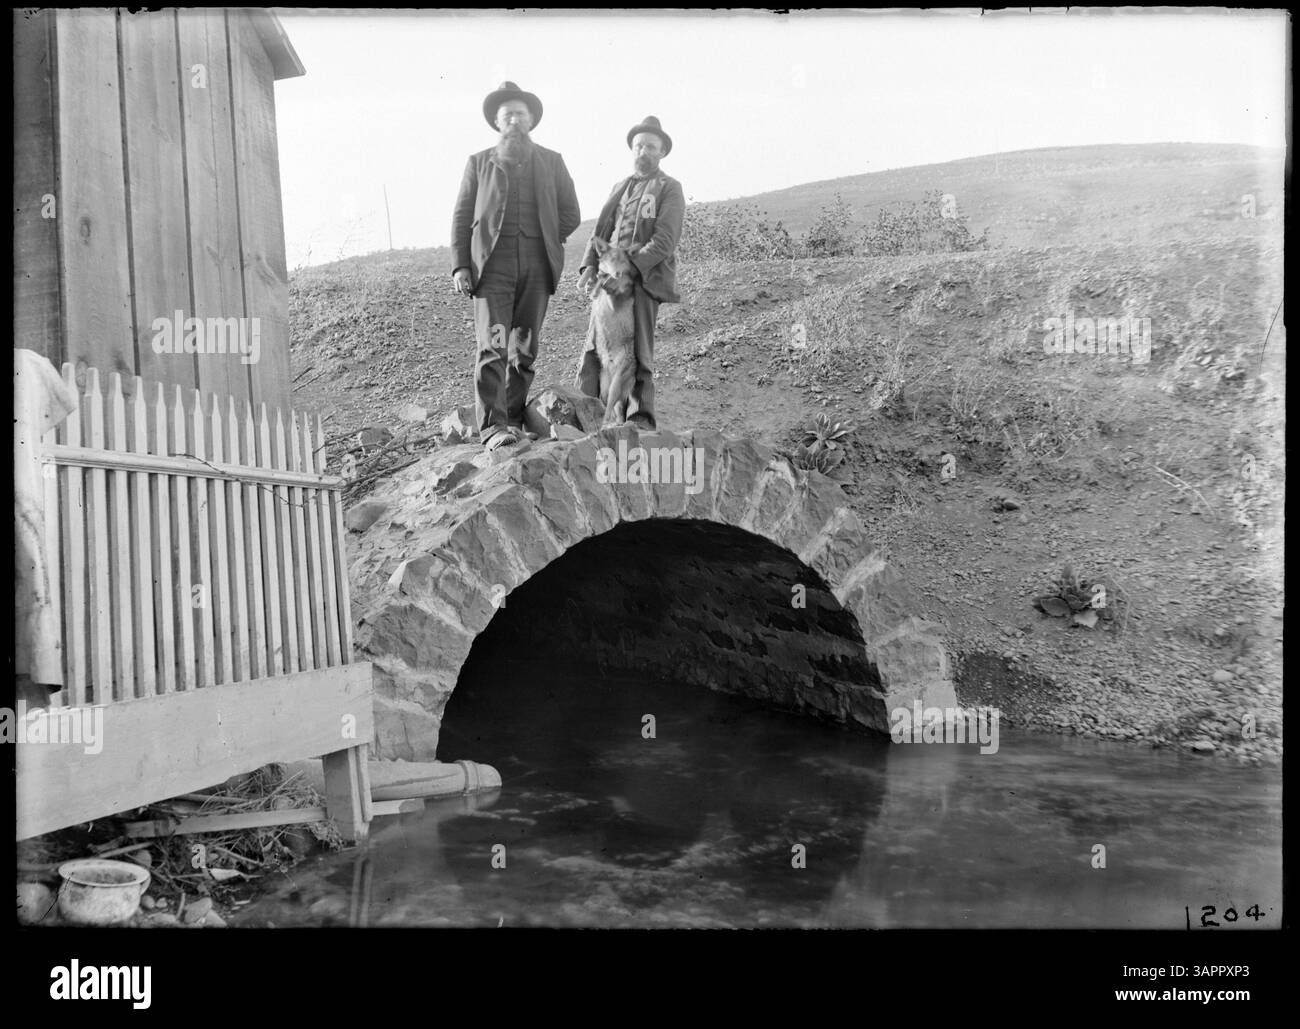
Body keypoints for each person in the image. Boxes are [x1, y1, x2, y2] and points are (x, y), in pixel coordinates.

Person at [451, 81, 581, 449]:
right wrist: (461, 265)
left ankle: (510, 419)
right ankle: (492, 429)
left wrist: (544, 235)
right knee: (493, 346)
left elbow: (571, 213)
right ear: (496, 121)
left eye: (520, 115)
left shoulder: (552, 161)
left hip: (537, 269)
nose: (514, 120)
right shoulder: (479, 163)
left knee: (524, 348)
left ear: (531, 121)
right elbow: (462, 217)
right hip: (493, 270)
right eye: (507, 114)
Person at [577, 116, 684, 430]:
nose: (644, 151)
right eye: (639, 145)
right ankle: (587, 409)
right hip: (607, 280)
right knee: (596, 345)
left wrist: (629, 271)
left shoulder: (669, 188)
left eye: (651, 146)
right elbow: (601, 231)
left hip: (643, 280)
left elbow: (665, 239)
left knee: (637, 350)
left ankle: (640, 417)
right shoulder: (619, 187)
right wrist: (589, 267)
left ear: (662, 151)